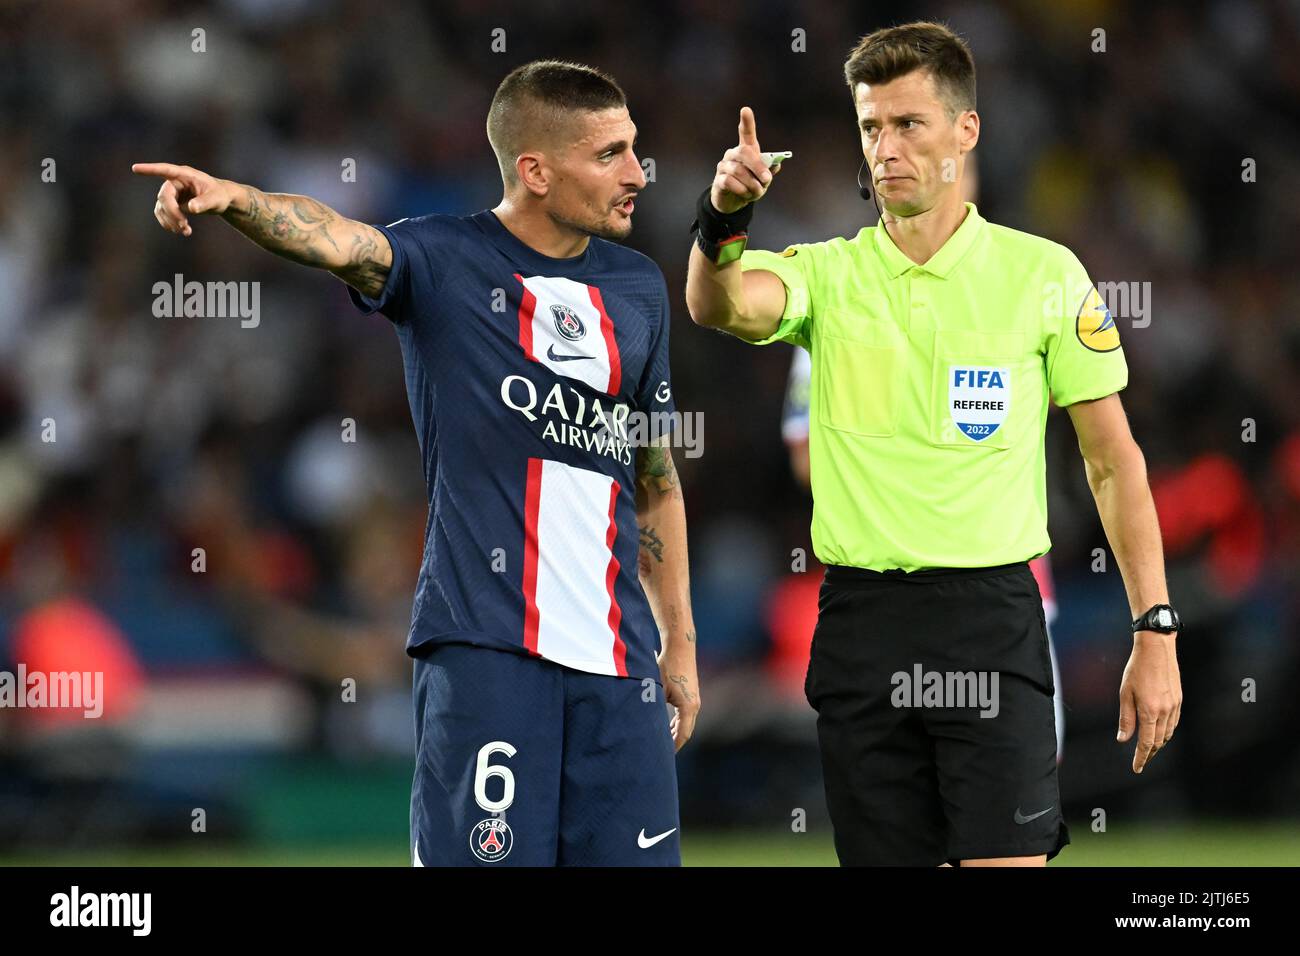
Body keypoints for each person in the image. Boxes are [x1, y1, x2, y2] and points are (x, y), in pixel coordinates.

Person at [134, 59, 699, 867]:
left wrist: (676, 642)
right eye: (609, 154)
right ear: (535, 170)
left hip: (618, 667)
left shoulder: (638, 288)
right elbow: (339, 237)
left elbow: (655, 480)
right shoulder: (443, 259)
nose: (637, 173)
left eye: (633, 149)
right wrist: (240, 201)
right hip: (488, 652)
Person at [686, 21, 1181, 866]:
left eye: (908, 123)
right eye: (872, 126)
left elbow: (1113, 460)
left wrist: (1155, 629)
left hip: (992, 618)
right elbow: (719, 304)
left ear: (966, 131)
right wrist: (723, 213)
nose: (886, 147)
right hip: (862, 623)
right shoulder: (827, 274)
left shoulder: (1044, 275)